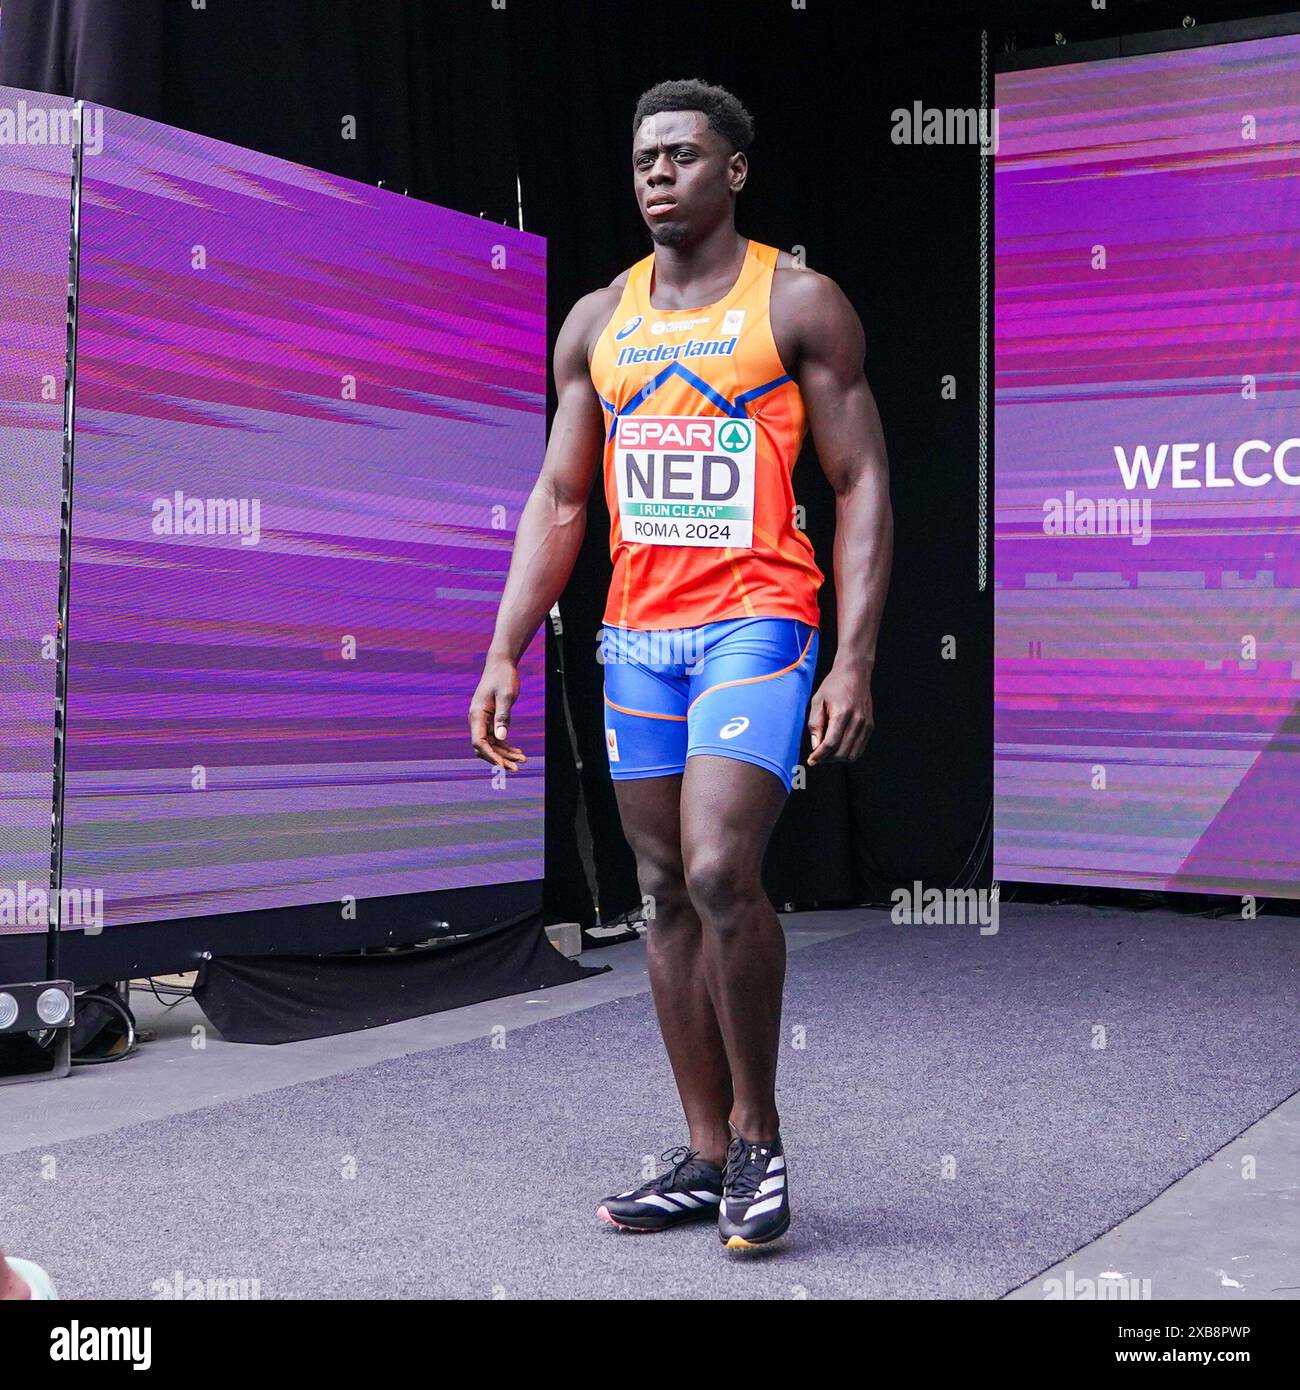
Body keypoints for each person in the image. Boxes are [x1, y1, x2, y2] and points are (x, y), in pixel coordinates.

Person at [469, 78, 891, 1249]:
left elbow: (859, 488)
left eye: (684, 156)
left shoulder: (798, 302)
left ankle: (759, 1137)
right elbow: (559, 496)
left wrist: (851, 658)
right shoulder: (599, 321)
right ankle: (704, 1152)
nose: (658, 172)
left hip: (760, 618)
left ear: (733, 172)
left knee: (716, 869)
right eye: (644, 156)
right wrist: (504, 646)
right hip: (638, 639)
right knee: (660, 891)